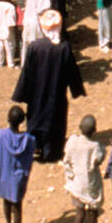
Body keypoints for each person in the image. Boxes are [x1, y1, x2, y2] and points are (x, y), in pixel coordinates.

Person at [12, 9, 86, 162]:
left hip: (37, 94)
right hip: (56, 92)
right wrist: (76, 89)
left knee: (36, 120)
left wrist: (22, 93)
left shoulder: (34, 46)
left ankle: (36, 151)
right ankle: (53, 153)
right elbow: (71, 71)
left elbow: (27, 72)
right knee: (56, 121)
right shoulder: (64, 47)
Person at [0, 106, 35, 223]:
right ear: (22, 121)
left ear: (8, 119)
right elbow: (32, 156)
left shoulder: (0, 135)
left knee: (6, 202)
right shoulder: (28, 139)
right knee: (17, 208)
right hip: (17, 179)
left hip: (3, 176)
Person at [62, 114, 106, 223]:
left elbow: (66, 160)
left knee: (79, 214)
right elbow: (99, 160)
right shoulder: (95, 146)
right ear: (94, 131)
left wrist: (70, 175)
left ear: (80, 128)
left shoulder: (72, 141)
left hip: (77, 183)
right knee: (93, 211)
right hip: (92, 183)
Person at [12, 0, 51, 64]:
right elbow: (44, 9)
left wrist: (23, 7)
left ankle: (25, 67)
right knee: (39, 47)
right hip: (38, 22)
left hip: (27, 20)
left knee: (26, 46)